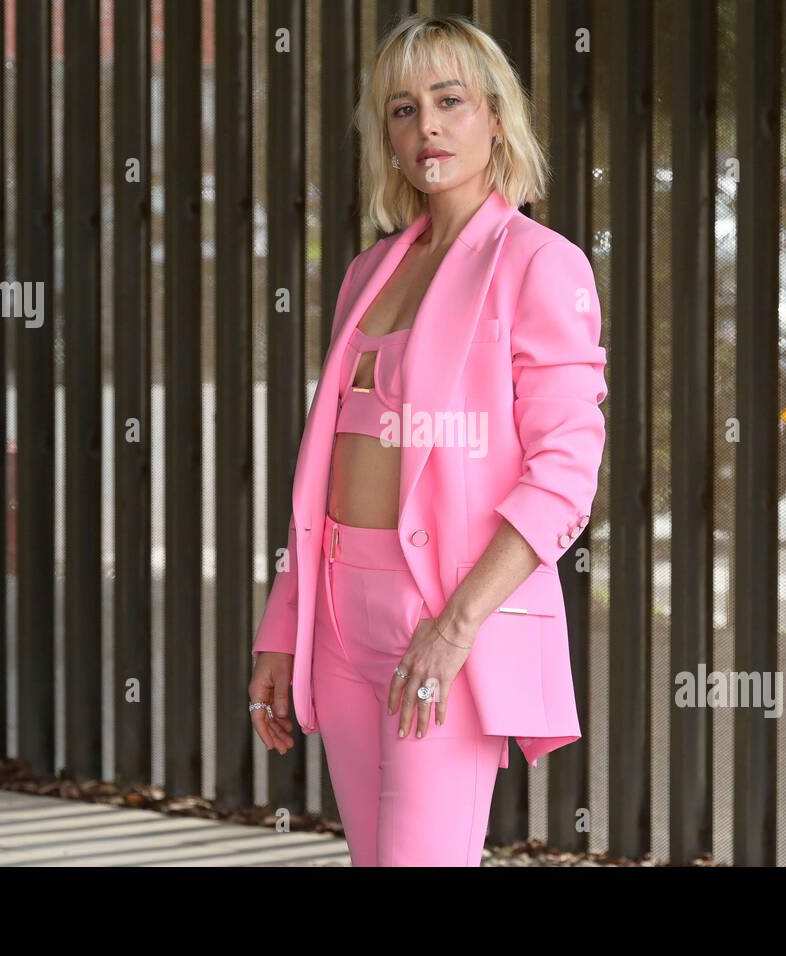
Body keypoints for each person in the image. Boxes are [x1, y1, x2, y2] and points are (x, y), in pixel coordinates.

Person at [247, 13, 607, 867]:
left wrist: (457, 626)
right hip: (339, 615)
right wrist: (282, 626)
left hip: (443, 616)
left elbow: (565, 474)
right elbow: (324, 472)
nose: (427, 127)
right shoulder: (368, 272)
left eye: (450, 101)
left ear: (496, 116)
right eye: (404, 109)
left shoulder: (538, 263)